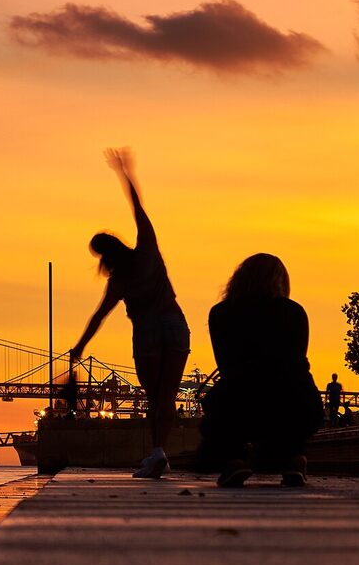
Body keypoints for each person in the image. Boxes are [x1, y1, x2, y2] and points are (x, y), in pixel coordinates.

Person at [69, 148, 190, 478]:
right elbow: (138, 207)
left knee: (155, 397)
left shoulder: (119, 282)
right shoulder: (148, 249)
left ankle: (156, 454)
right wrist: (125, 173)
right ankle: (159, 452)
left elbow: (99, 317)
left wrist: (79, 347)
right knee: (167, 396)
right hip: (175, 323)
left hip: (149, 331)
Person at [200, 253, 323, 487]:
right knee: (297, 398)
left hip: (240, 404)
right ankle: (293, 459)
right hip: (295, 403)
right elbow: (297, 362)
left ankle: (233, 460)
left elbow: (226, 365)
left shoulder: (221, 313)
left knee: (218, 404)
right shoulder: (294, 311)